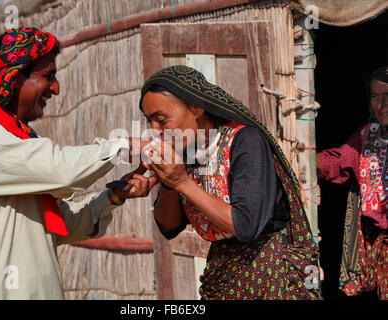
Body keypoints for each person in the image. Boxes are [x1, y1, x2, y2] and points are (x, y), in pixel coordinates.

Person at [0, 27, 156, 299]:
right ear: (15, 77)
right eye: (48, 76)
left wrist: (113, 196)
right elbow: (61, 170)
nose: (55, 88)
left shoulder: (21, 142)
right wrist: (124, 145)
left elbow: (61, 224)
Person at [139, 65, 320, 300]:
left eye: (161, 120)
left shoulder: (246, 141)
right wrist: (167, 181)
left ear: (196, 107)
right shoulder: (186, 151)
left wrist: (182, 181)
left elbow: (245, 224)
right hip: (223, 276)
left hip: (270, 275)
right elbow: (169, 227)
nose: (155, 131)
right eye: (149, 121)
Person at [316, 65, 387, 299]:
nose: (381, 105)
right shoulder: (367, 136)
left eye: (387, 96)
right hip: (379, 245)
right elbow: (338, 162)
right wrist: (303, 155)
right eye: (375, 97)